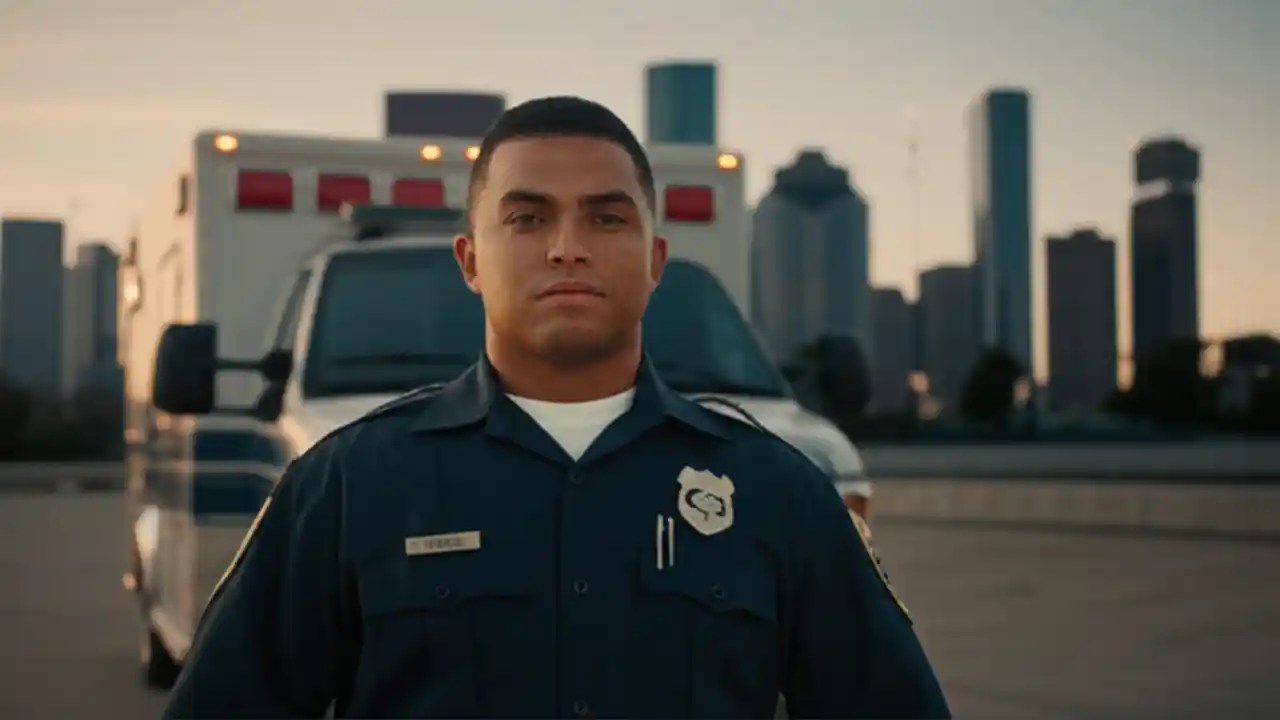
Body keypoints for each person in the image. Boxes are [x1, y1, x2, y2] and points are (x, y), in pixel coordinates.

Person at [163, 96, 950, 719]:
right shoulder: (344, 485)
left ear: (654, 261)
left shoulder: (780, 492)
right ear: (470, 260)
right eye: (527, 217)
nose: (566, 246)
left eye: (607, 218)